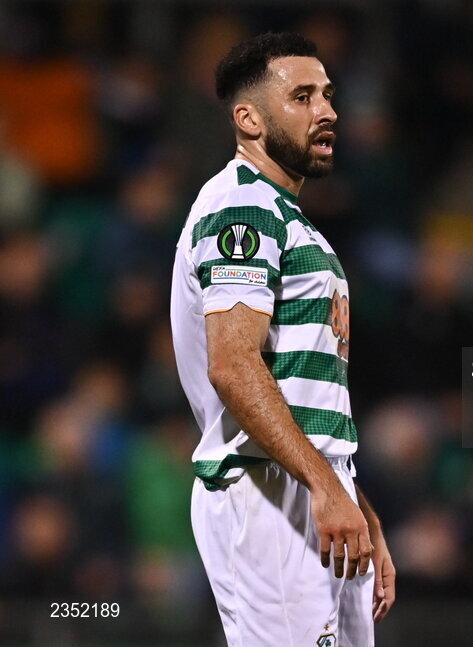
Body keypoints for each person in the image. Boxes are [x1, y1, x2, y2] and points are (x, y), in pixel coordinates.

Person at [169, 33, 395, 646]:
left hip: (309, 488)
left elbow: (302, 394)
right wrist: (326, 486)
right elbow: (235, 366)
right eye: (302, 96)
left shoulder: (291, 221)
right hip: (265, 491)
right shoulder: (241, 208)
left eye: (326, 94)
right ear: (248, 118)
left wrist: (356, 502)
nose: (327, 111)